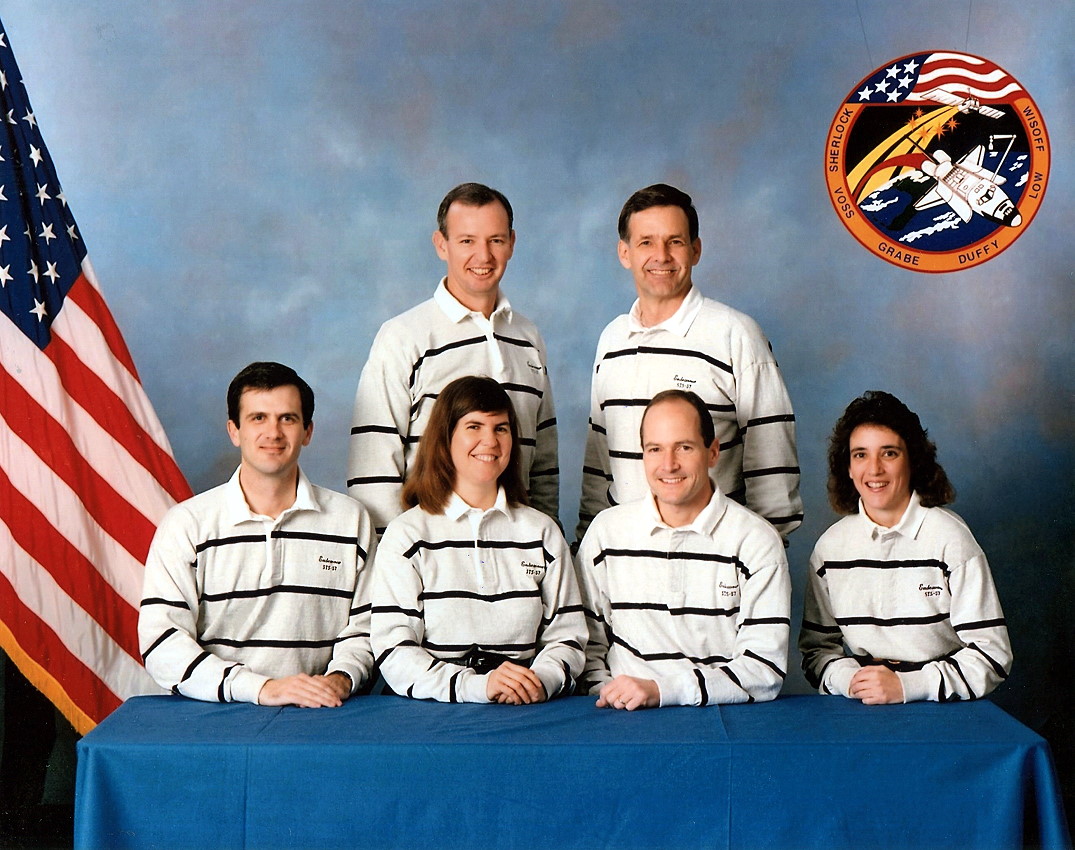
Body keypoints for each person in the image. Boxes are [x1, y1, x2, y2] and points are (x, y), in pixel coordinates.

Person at [139, 362, 375, 707]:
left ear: (307, 431)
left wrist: (341, 678)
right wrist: (261, 688)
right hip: (218, 711)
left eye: (287, 418)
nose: (273, 433)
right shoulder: (187, 524)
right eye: (258, 418)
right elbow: (162, 643)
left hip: (320, 708)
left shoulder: (350, 521)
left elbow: (367, 627)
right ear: (234, 431)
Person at [577, 183, 801, 544]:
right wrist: (588, 543)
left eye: (675, 241)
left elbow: (773, 468)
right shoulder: (612, 340)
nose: (661, 256)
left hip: (715, 555)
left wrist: (757, 553)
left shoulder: (736, 335)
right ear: (624, 252)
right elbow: (599, 464)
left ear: (695, 250)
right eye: (646, 242)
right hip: (625, 557)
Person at [348, 183, 559, 535]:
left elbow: (543, 467)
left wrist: (543, 544)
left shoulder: (528, 338)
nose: (483, 256)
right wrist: (393, 554)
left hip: (514, 547)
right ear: (441, 244)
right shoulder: (403, 337)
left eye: (495, 240)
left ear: (511, 243)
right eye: (467, 241)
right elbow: (372, 470)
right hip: (428, 549)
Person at [370, 376, 584, 704]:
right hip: (433, 712)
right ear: (445, 438)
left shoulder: (542, 533)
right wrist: (477, 687)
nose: (490, 441)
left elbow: (568, 637)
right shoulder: (407, 535)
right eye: (474, 427)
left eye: (501, 428)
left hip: (526, 706)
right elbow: (394, 650)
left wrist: (540, 681)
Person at [575, 389, 791, 709]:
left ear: (713, 452)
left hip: (721, 717)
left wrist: (662, 691)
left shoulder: (757, 541)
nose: (669, 464)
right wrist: (611, 696)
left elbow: (763, 669)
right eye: (655, 449)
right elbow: (585, 648)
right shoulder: (605, 534)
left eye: (684, 447)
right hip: (623, 717)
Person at [798, 390, 1012, 704]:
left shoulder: (951, 539)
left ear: (913, 460)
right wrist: (851, 680)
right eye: (860, 454)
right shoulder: (830, 549)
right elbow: (816, 650)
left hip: (941, 704)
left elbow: (992, 656)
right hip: (864, 702)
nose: (874, 469)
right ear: (848, 467)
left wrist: (907, 685)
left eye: (889, 453)